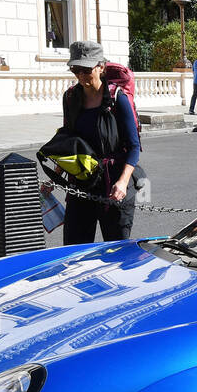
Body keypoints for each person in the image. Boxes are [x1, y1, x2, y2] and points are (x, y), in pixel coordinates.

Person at [59, 40, 142, 244]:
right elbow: (68, 138)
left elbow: (133, 146)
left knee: (115, 253)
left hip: (112, 183)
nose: (80, 75)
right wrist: (57, 174)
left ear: (101, 67)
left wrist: (122, 182)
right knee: (74, 250)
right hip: (81, 181)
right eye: (75, 69)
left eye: (86, 69)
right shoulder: (71, 97)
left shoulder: (117, 98)